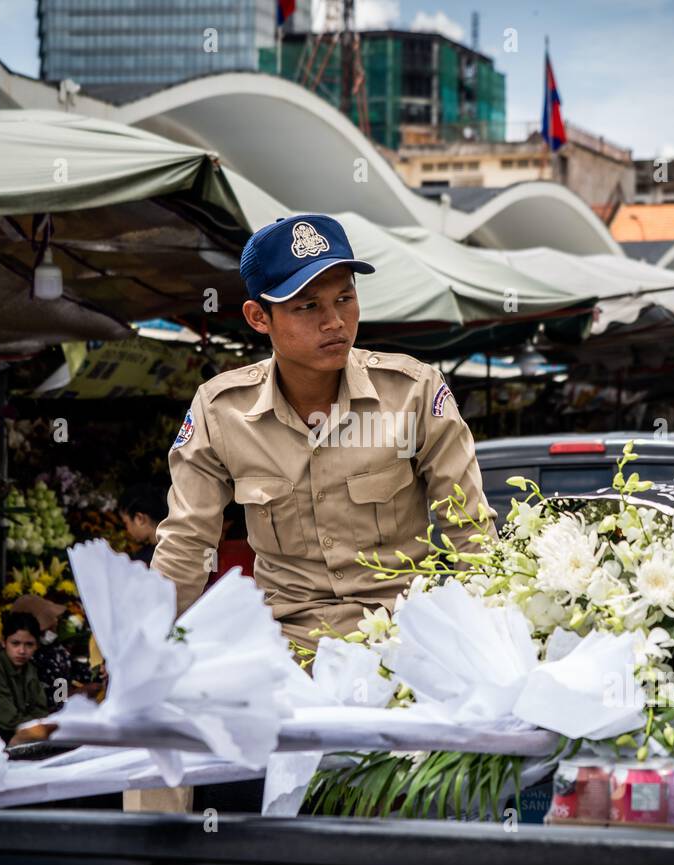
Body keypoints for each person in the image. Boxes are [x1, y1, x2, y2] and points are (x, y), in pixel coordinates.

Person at [151, 213, 496, 652]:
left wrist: (488, 644)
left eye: (345, 298)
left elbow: (469, 532)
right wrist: (147, 649)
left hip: (406, 643)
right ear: (259, 317)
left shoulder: (413, 392)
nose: (334, 321)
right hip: (287, 652)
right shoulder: (221, 411)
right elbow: (186, 542)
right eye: (308, 306)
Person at [0, 611, 51, 743]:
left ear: (37, 646)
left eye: (29, 645)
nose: (22, 651)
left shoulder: (29, 668)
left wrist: (45, 725)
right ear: (4, 642)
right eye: (15, 643)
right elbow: (9, 720)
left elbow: (40, 709)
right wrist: (42, 728)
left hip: (11, 730)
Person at [118, 482, 168, 564]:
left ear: (140, 519)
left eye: (126, 523)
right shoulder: (180, 542)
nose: (127, 530)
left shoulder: (144, 562)